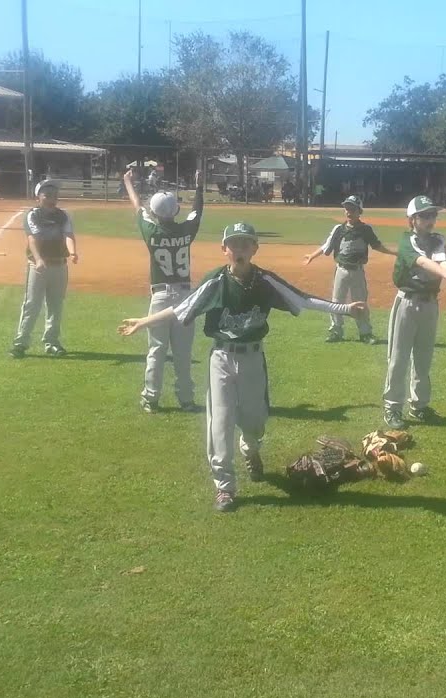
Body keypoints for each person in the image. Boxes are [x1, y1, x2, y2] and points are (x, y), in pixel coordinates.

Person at [118, 222, 365, 512]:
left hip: (252, 358)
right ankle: (225, 487)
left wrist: (345, 309)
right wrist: (143, 322)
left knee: (254, 421)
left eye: (245, 243)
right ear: (224, 249)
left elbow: (303, 299)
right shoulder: (216, 282)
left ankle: (250, 448)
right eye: (233, 244)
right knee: (220, 423)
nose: (239, 249)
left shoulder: (265, 281)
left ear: (254, 249)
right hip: (221, 359)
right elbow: (181, 308)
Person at [382, 195, 446, 430]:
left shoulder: (438, 239)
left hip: (430, 304)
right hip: (407, 304)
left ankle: (419, 406)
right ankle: (392, 407)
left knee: (423, 357)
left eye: (433, 215)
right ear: (412, 219)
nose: (430, 220)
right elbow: (421, 261)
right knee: (398, 358)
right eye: (424, 216)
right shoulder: (406, 240)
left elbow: (443, 259)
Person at [122, 166, 204, 414]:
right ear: (176, 210)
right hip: (185, 297)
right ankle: (186, 400)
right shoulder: (186, 230)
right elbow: (197, 210)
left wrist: (128, 182)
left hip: (160, 296)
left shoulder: (151, 230)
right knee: (183, 353)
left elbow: (138, 206)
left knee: (157, 350)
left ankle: (151, 398)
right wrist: (199, 186)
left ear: (154, 212)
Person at [303, 194, 396, 344]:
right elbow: (327, 245)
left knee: (360, 301)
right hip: (341, 270)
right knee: (336, 302)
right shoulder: (338, 229)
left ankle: (365, 333)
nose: (348, 212)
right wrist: (312, 256)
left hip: (357, 271)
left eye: (352, 209)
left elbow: (377, 246)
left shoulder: (365, 230)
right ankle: (336, 331)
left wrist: (393, 253)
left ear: (359, 211)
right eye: (346, 209)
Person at [10, 179, 78, 358]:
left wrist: (73, 252)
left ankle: (52, 342)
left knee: (56, 305)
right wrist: (39, 259)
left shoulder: (63, 215)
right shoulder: (33, 215)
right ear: (38, 197)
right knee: (32, 304)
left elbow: (68, 235)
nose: (52, 199)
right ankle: (21, 343)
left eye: (54, 195)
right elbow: (33, 239)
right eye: (47, 195)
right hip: (38, 266)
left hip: (59, 265)